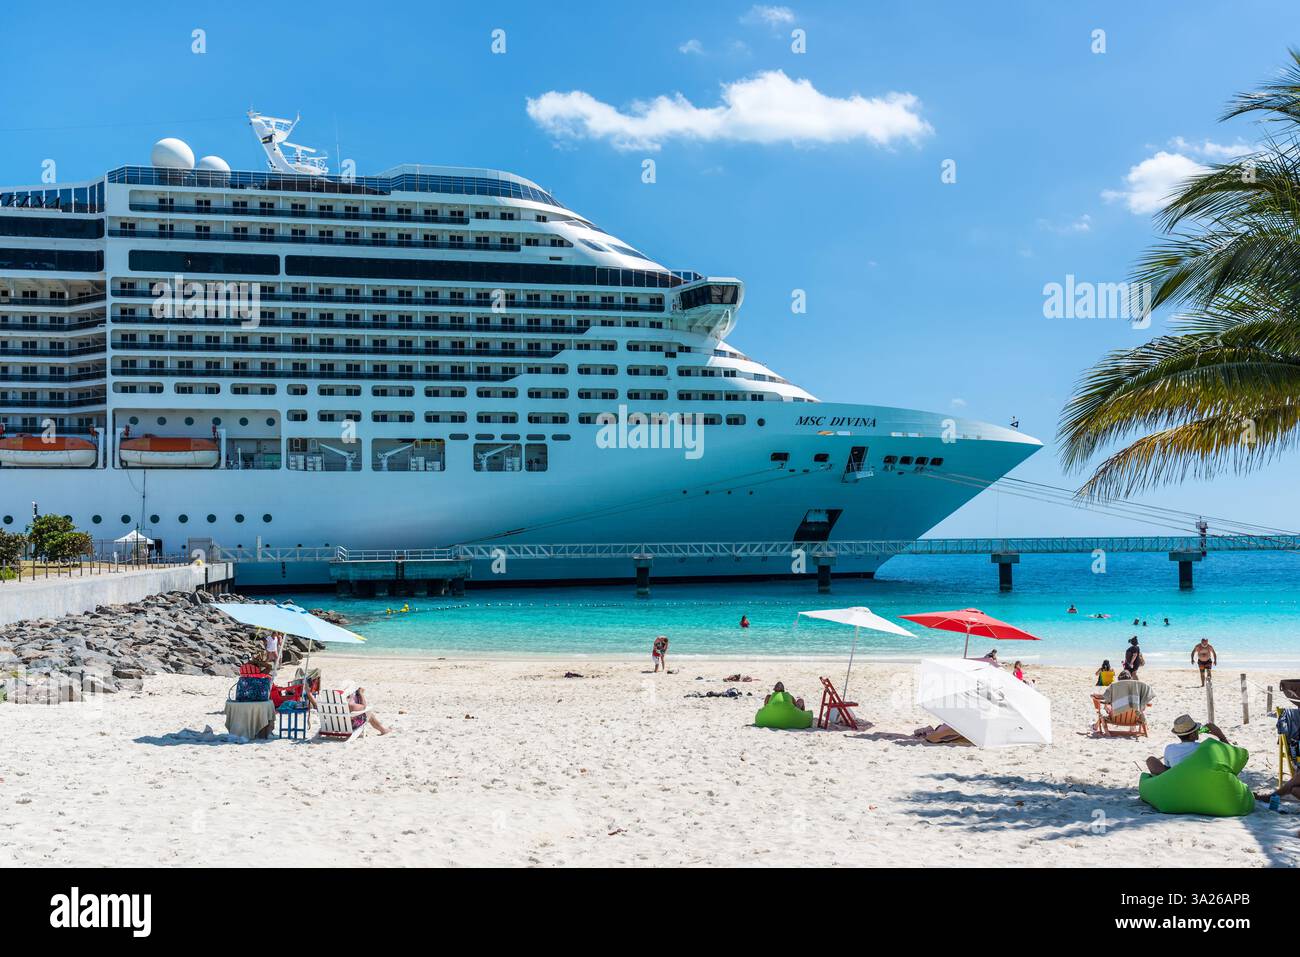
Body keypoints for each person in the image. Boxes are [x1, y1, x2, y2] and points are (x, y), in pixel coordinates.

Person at [1145, 714, 1227, 777]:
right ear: (1191, 736)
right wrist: (1220, 735)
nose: (1198, 731)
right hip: (1197, 778)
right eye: (1196, 730)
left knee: (1151, 760)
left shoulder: (1170, 748)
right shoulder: (1204, 747)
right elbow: (1229, 753)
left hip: (1176, 778)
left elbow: (1168, 768)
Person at [308, 686, 391, 735]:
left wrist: (308, 693)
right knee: (368, 713)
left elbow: (315, 704)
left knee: (357, 714)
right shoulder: (349, 706)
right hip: (348, 727)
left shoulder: (325, 705)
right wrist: (361, 693)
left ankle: (382, 729)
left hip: (332, 726)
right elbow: (364, 707)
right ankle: (383, 730)